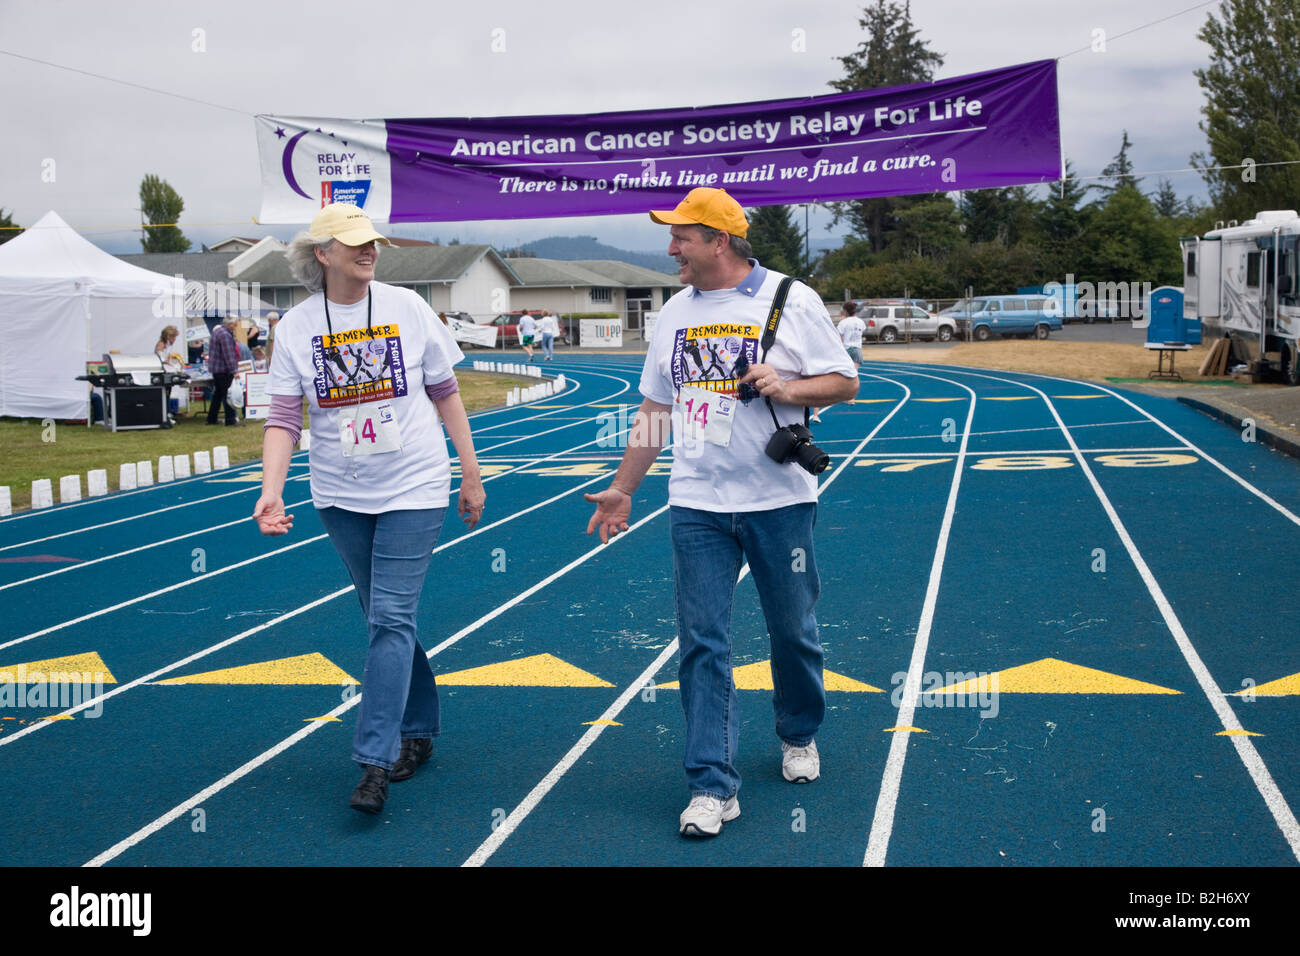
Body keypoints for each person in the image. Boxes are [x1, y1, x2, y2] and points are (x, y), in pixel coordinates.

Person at [584, 187, 859, 838]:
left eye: (681, 236)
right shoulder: (674, 312)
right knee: (702, 642)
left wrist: (789, 387)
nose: (671, 247)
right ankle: (712, 783)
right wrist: (624, 487)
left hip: (778, 501)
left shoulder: (791, 299)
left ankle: (798, 732)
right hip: (698, 504)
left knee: (792, 631)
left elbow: (844, 382)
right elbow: (655, 408)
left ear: (720, 242)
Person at [252, 202, 486, 815]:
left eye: (373, 241)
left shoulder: (407, 308)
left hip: (414, 483)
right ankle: (420, 725)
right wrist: (270, 488)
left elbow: (446, 393)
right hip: (339, 493)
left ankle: (373, 760)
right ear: (321, 254)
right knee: (385, 618)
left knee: (389, 616)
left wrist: (471, 472)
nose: (369, 250)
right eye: (353, 243)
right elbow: (283, 418)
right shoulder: (297, 328)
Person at [207, 316, 241, 426]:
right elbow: (229, 355)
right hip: (223, 369)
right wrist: (234, 371)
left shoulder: (217, 331)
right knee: (228, 394)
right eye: (234, 325)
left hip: (216, 368)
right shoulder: (225, 335)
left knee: (217, 395)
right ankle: (230, 420)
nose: (235, 327)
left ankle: (211, 419)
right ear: (229, 324)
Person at [155, 324, 184, 419]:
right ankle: (164, 414)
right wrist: (170, 361)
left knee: (168, 393)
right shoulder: (161, 344)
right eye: (173, 336)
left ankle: (167, 413)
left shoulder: (168, 345)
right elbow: (161, 359)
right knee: (165, 394)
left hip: (168, 371)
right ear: (168, 336)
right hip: (163, 373)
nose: (175, 339)